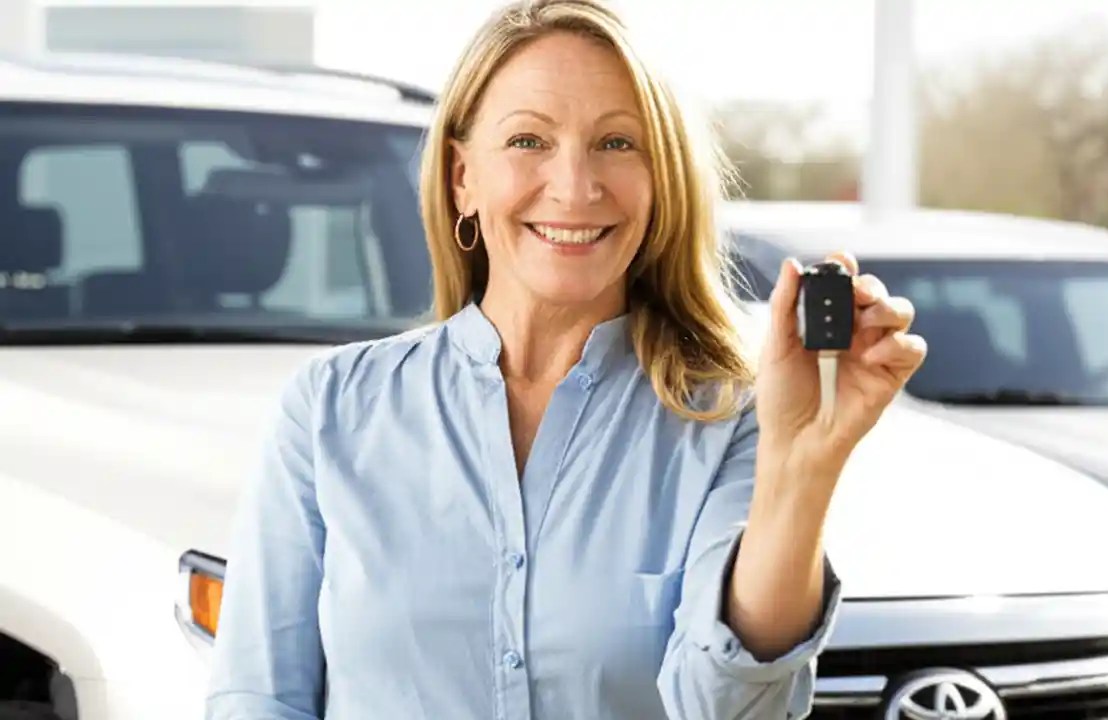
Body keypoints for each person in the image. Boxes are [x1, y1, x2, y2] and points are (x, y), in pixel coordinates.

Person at [204, 0, 926, 718]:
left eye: (617, 143)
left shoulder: (728, 420)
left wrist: (802, 471)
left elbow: (730, 710)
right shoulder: (330, 409)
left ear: (661, 179)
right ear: (463, 177)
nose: (576, 187)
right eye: (528, 141)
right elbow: (257, 699)